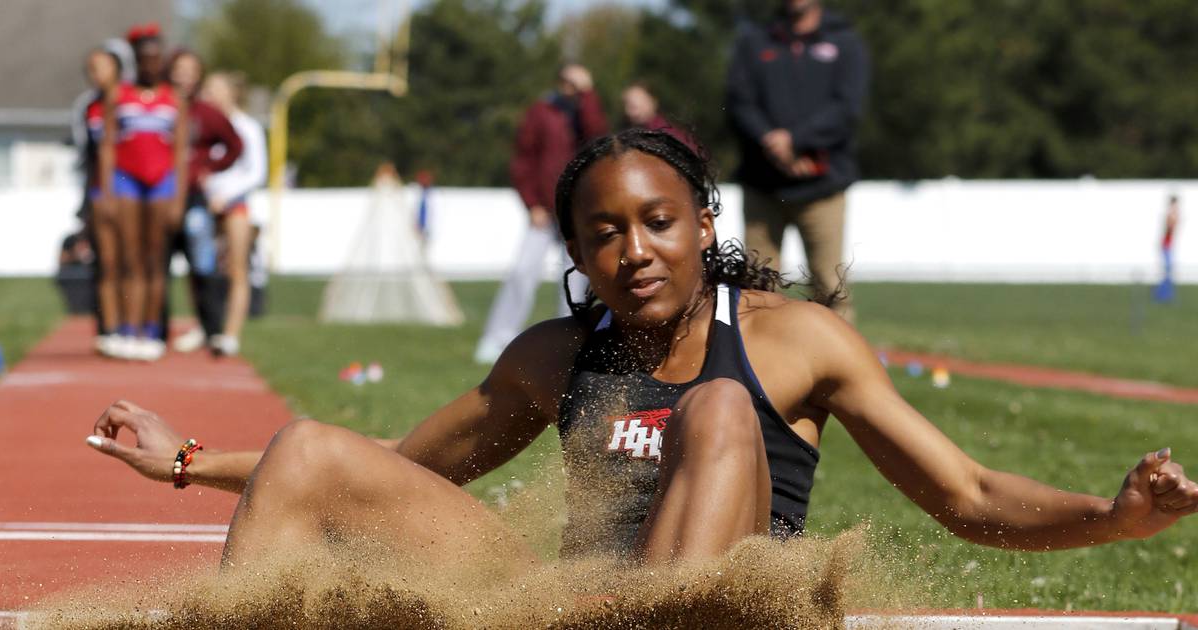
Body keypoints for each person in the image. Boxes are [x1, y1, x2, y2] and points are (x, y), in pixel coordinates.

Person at [90, 129, 1198, 573]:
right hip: (579, 607)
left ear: (704, 226)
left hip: (717, 608)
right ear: (577, 252)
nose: (636, 251)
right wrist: (185, 462)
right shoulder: (552, 356)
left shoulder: (797, 342)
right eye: (606, 233)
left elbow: (967, 493)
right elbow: (396, 468)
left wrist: (1115, 519)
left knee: (717, 410)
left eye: (659, 223)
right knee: (311, 447)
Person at [726, 0, 868, 322]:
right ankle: (756, 355)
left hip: (823, 186)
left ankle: (835, 355)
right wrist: (771, 141)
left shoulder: (844, 41)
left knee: (830, 286)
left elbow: (847, 108)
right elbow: (739, 102)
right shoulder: (754, 41)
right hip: (763, 185)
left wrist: (796, 141)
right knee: (756, 287)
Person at [473, 63, 608, 364]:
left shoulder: (586, 111)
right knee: (522, 271)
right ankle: (497, 338)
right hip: (543, 211)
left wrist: (588, 96)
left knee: (575, 279)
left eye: (578, 83)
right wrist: (531, 203)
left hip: (578, 212)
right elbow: (523, 159)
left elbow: (598, 139)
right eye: (568, 81)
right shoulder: (541, 111)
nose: (571, 87)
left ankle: (571, 343)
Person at [98, 23, 188, 361]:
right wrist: (107, 192)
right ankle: (127, 329)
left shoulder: (174, 98)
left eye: (155, 57)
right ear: (135, 60)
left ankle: (151, 331)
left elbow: (180, 152)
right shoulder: (118, 95)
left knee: (155, 260)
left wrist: (178, 198)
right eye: (144, 58)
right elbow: (107, 146)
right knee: (128, 258)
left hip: (161, 183)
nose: (150, 64)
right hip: (127, 181)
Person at [166, 50, 243, 354]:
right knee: (158, 263)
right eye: (179, 69)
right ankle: (154, 331)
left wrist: (209, 168)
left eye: (191, 70)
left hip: (193, 197)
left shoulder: (206, 113)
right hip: (160, 196)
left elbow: (235, 145)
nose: (184, 75)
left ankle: (212, 330)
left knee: (202, 260)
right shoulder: (161, 105)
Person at [199, 72, 268, 356]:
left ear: (232, 92)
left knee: (237, 268)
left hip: (235, 205)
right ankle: (207, 326)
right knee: (202, 269)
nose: (209, 94)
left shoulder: (248, 127)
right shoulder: (203, 125)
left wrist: (225, 197)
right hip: (204, 204)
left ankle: (231, 334)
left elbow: (257, 172)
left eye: (215, 89)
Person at [74, 45, 129, 356]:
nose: (97, 74)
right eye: (92, 69)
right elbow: (87, 155)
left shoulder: (131, 101)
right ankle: (108, 329)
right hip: (99, 190)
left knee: (133, 262)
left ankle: (139, 327)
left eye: (103, 67)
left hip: (133, 190)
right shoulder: (88, 107)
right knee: (106, 262)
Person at [621, 81, 697, 153]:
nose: (628, 112)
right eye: (627, 105)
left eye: (634, 106)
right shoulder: (630, 132)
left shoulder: (666, 134)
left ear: (653, 101)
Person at [1154, 195, 1181, 303]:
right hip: (1166, 245)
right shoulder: (1171, 215)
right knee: (1168, 270)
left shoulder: (1172, 215)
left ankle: (1166, 295)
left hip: (1167, 245)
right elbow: (1169, 229)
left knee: (1168, 270)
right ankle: (1162, 295)